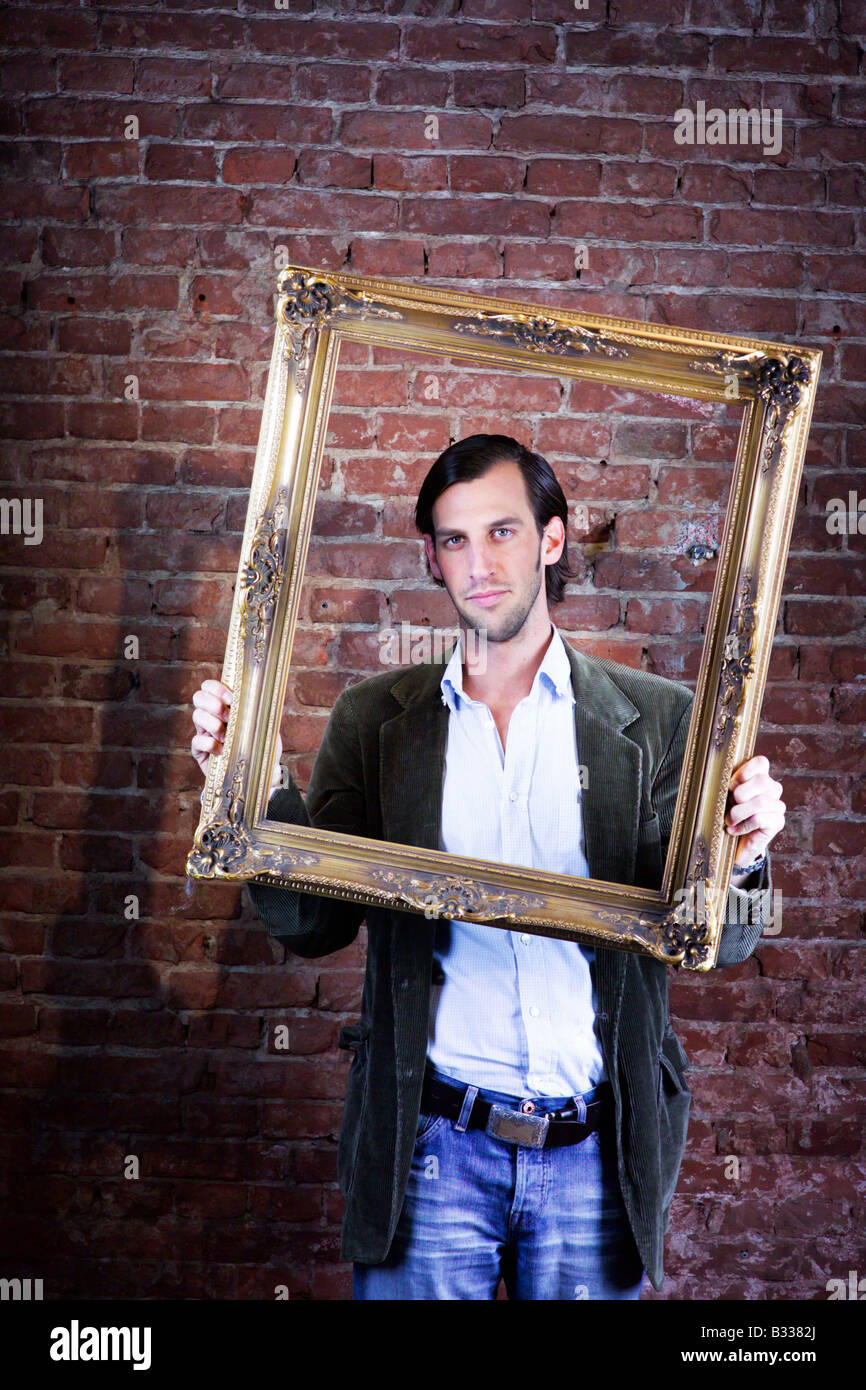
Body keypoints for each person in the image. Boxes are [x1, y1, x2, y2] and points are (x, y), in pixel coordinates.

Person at [190, 435, 784, 1300]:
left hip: (596, 1156)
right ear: (432, 557)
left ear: (552, 539)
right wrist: (254, 786)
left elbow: (717, 944)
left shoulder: (659, 721)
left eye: (503, 531)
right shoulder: (374, 721)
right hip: (430, 1147)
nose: (481, 563)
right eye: (456, 540)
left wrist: (745, 859)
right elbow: (313, 925)